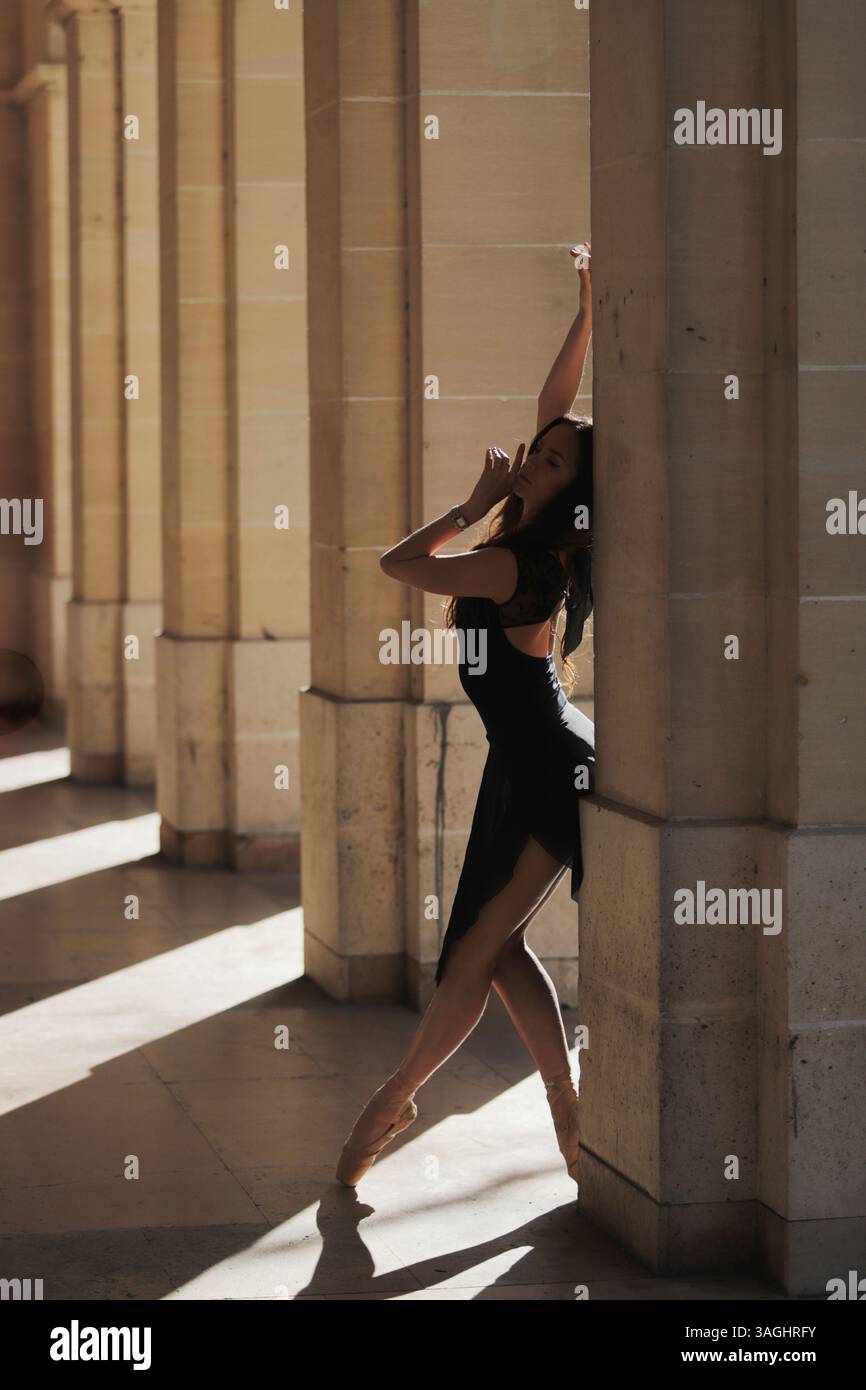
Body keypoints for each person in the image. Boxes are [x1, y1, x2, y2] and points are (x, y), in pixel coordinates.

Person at [336, 243, 595, 1190]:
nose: (533, 461)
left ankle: (395, 1098)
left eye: (552, 463)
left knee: (475, 953)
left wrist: (472, 500)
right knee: (496, 946)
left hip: (550, 765)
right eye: (537, 453)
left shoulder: (516, 564)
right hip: (522, 761)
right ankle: (566, 1112)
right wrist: (590, 306)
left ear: (570, 491)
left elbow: (398, 566)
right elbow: (555, 402)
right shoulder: (529, 537)